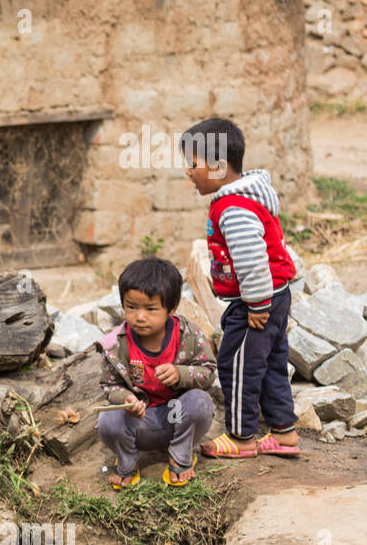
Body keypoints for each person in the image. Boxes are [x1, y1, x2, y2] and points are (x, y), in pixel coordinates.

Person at [180, 118, 301, 460]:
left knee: (237, 365)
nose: (187, 172)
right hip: (274, 295)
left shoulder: (232, 208)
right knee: (272, 363)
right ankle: (284, 432)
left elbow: (251, 258)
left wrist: (257, 304)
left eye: (193, 164)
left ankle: (242, 436)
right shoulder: (244, 198)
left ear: (218, 166)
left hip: (257, 302)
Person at [96, 257, 217, 488]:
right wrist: (127, 400)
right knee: (107, 418)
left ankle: (180, 456)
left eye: (151, 309)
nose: (140, 316)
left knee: (200, 402)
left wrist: (181, 373)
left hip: (177, 419)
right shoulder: (116, 343)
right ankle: (128, 462)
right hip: (139, 425)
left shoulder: (188, 334)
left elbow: (209, 371)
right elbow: (109, 385)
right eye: (131, 307)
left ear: (171, 308)